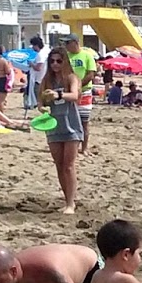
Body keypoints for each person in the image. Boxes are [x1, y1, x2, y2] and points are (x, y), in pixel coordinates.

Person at [39, 46, 84, 214]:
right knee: (59, 165)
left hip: (71, 124)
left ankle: (71, 203)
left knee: (69, 166)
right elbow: (40, 101)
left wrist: (58, 95)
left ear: (65, 61)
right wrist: (42, 108)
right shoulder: (46, 80)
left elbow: (74, 95)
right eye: (52, 61)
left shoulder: (71, 77)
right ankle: (67, 200)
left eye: (59, 61)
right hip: (53, 125)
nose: (55, 64)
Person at [63, 33, 98, 155]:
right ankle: (72, 146)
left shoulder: (87, 56)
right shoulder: (65, 57)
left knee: (84, 121)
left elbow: (90, 74)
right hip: (68, 92)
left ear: (75, 43)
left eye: (68, 43)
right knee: (69, 120)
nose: (66, 45)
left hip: (84, 91)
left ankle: (84, 148)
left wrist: (78, 86)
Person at [23, 35, 45, 111]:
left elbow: (38, 68)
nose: (32, 48)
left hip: (39, 79)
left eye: (33, 46)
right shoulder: (41, 53)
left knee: (38, 97)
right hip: (38, 78)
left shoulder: (40, 55)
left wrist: (31, 64)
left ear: (36, 45)